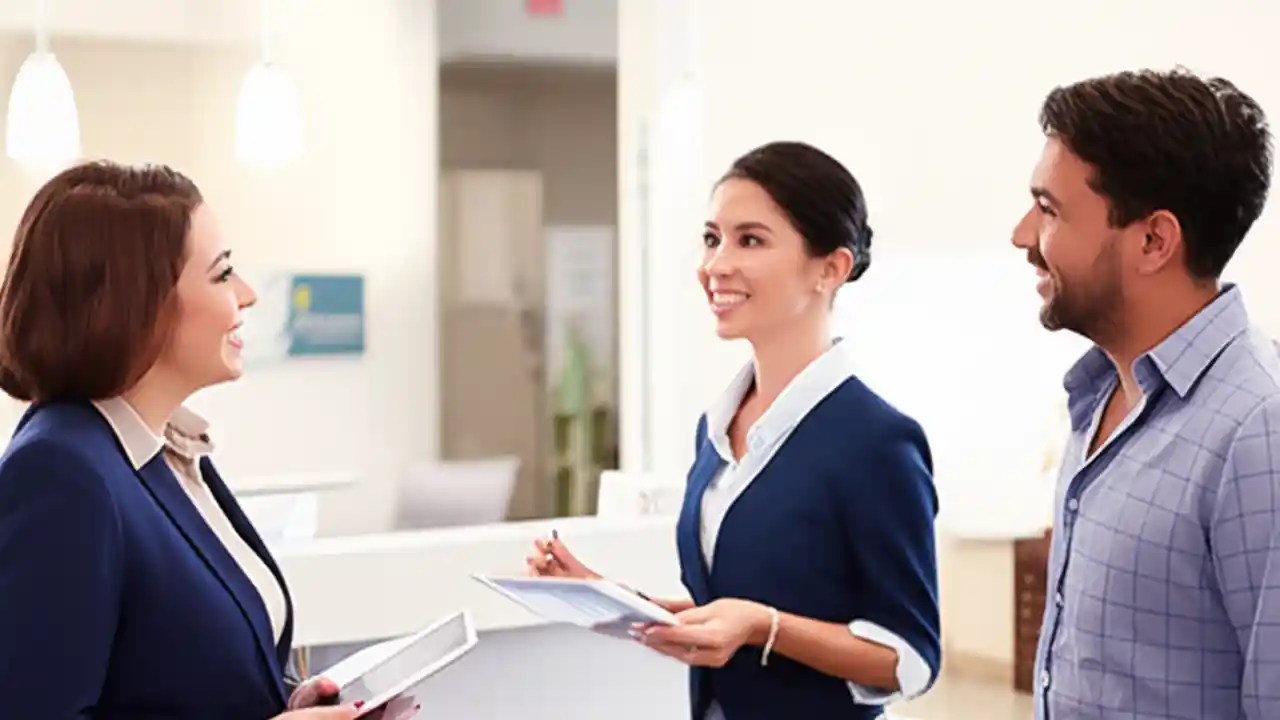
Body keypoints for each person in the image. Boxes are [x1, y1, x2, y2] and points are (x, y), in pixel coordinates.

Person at [527, 141, 942, 719]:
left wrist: (763, 625)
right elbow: (719, 613)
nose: (716, 264)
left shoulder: (876, 442)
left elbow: (912, 658)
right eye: (711, 238)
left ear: (831, 268)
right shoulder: (716, 430)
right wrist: (602, 593)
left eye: (750, 240)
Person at [0, 162, 396, 720]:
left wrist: (289, 704)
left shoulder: (165, 451)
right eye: (222, 274)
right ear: (139, 304)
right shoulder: (61, 471)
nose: (248, 294)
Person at [1011, 68, 1279, 719]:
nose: (1022, 236)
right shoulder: (1096, 396)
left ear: (1154, 240)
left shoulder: (1259, 433)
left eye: (1049, 210)